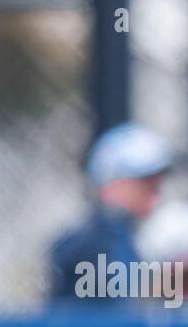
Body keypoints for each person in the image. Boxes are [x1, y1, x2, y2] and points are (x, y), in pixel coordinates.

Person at [48, 122, 174, 303]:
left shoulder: (127, 235)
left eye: (156, 180)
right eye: (144, 180)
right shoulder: (96, 242)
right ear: (112, 185)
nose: (155, 189)